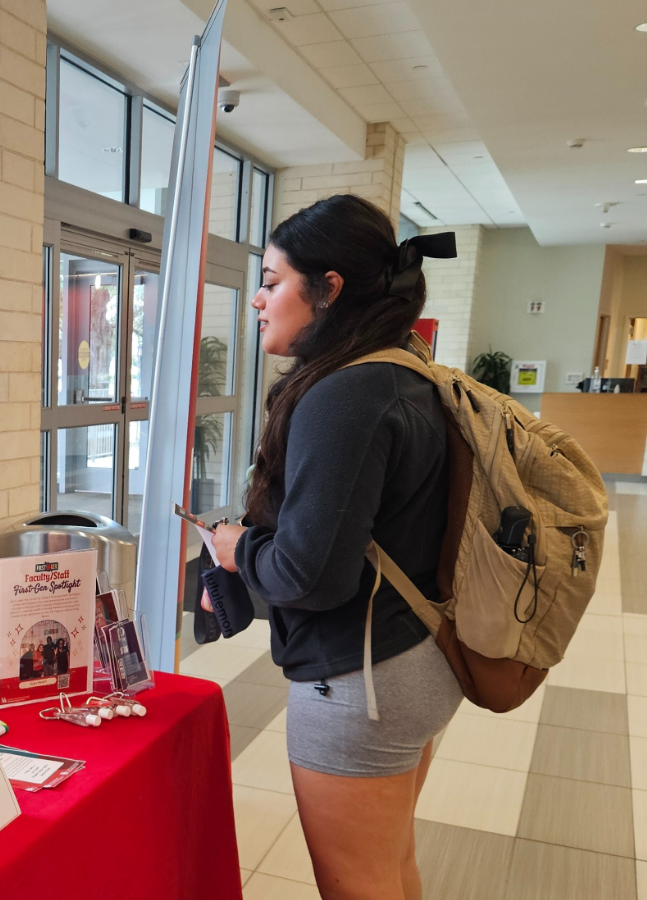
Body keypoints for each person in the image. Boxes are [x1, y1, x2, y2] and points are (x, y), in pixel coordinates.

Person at [211, 195, 460, 900]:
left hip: (362, 680)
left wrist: (237, 548)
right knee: (391, 867)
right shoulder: (406, 369)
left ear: (328, 288)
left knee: (356, 883)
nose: (258, 299)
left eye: (271, 279)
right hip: (413, 653)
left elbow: (311, 576)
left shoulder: (344, 394)